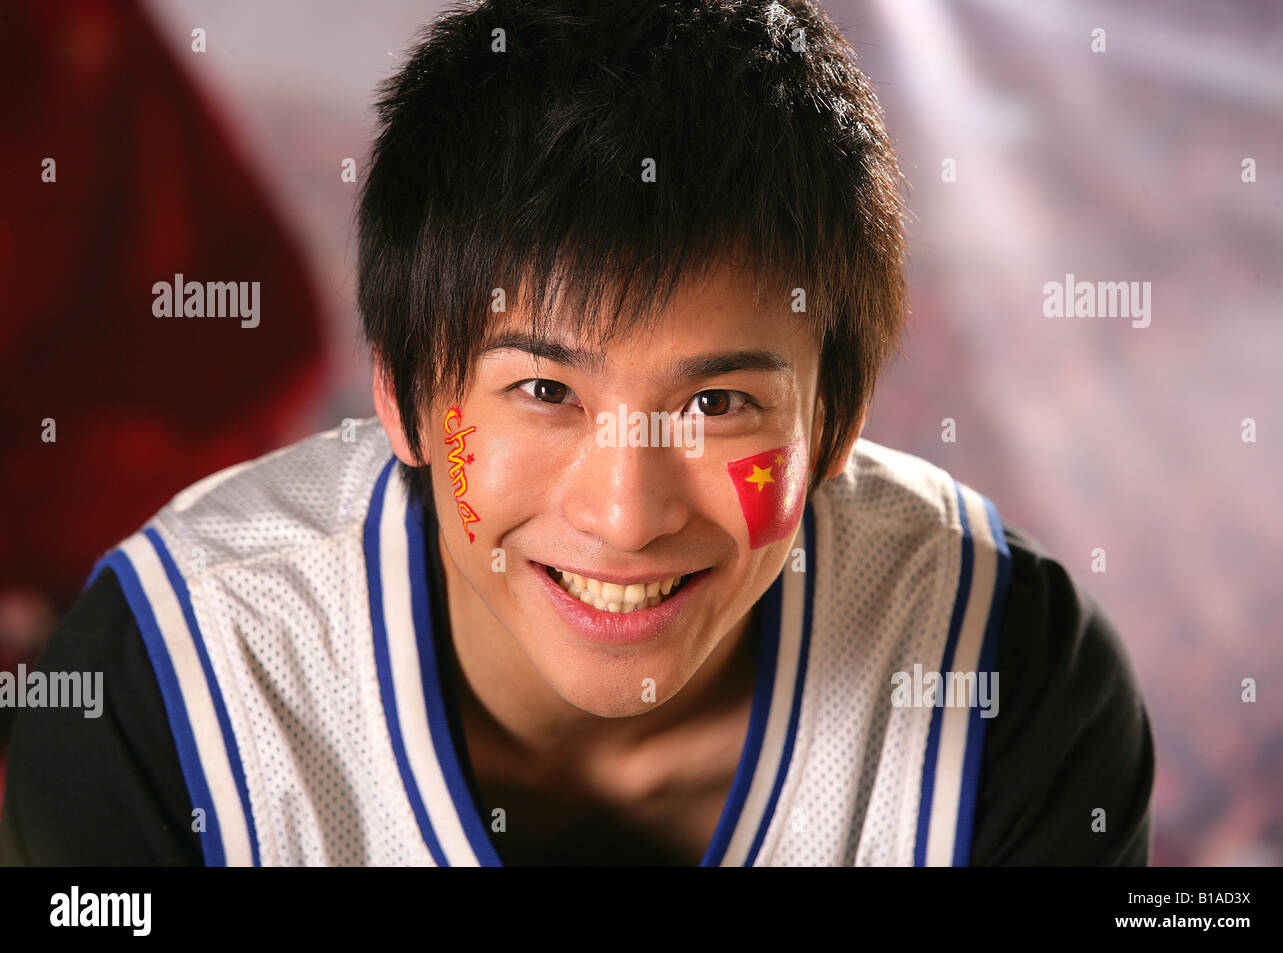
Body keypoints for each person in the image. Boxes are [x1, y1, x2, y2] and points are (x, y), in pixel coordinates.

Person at [0, 0, 1153, 866]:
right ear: (402, 396)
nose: (625, 513)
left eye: (718, 404)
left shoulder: (1012, 670)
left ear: (838, 423)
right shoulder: (164, 682)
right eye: (544, 393)